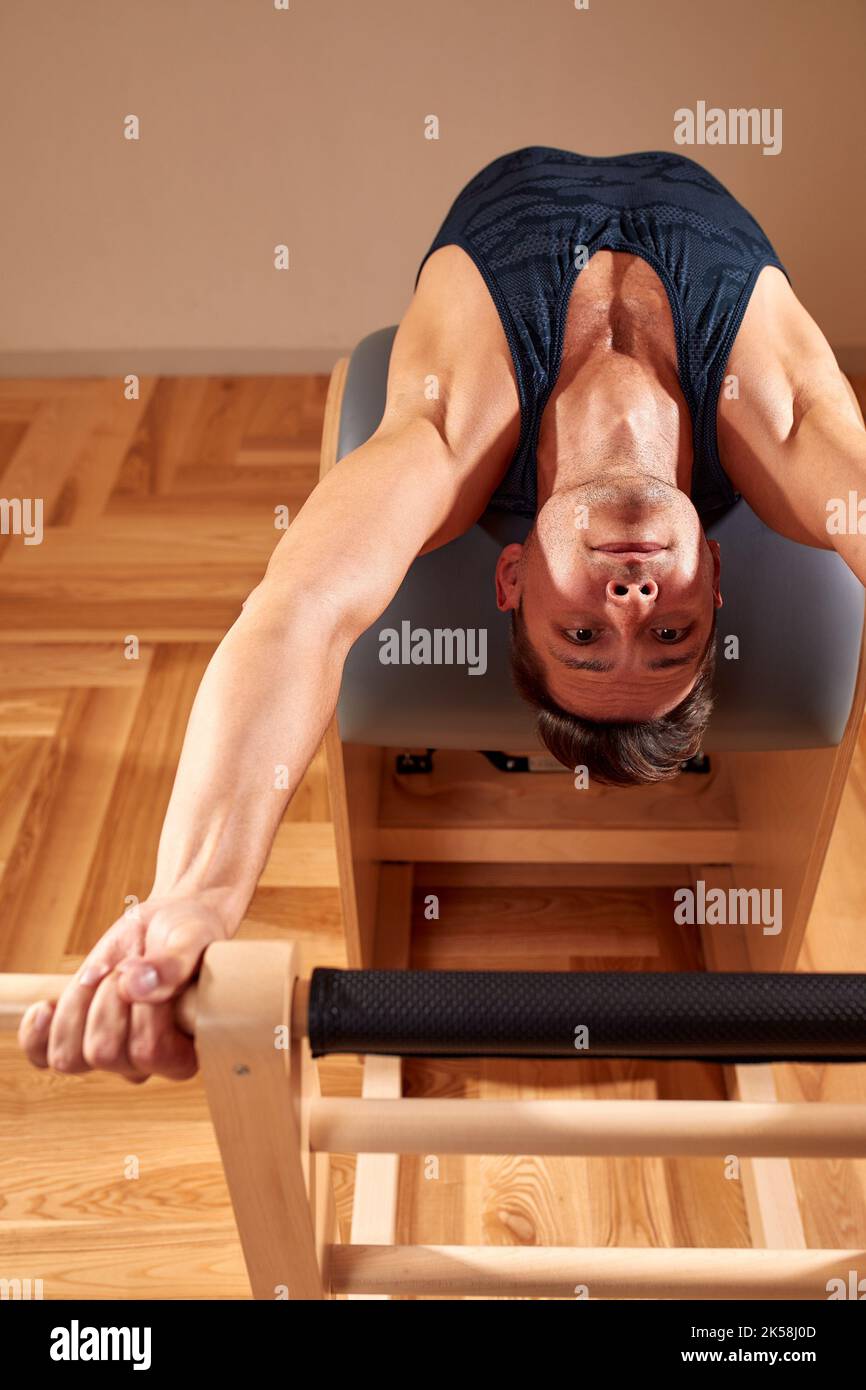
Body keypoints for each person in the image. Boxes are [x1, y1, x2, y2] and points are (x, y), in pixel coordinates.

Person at [19, 146, 866, 1083]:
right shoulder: (788, 441)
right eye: (671, 636)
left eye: (582, 638)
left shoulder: (452, 440)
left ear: (512, 581)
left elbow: (300, 610)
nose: (632, 605)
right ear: (713, 572)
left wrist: (194, 899)